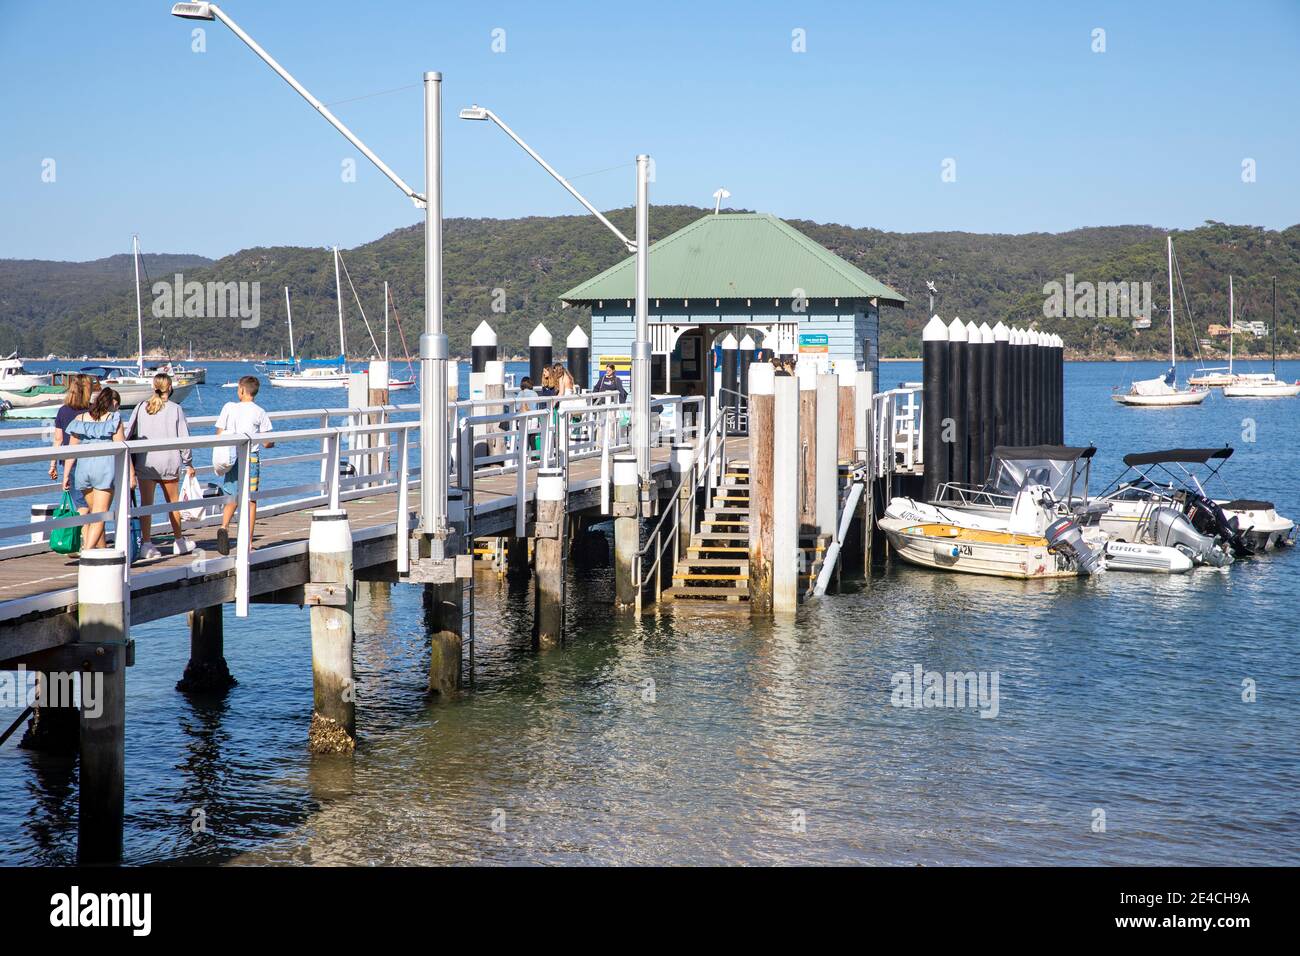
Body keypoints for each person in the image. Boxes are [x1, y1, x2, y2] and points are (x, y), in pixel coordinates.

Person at [126, 372, 197, 559]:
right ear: (170, 387)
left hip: (146, 462)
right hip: (169, 461)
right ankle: (179, 541)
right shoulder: (175, 409)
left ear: (153, 387)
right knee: (173, 503)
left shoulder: (142, 407)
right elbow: (184, 439)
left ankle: (147, 544)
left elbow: (128, 433)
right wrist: (188, 462)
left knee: (146, 504)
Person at [214, 375, 274, 556]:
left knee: (232, 495)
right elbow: (267, 442)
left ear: (241, 390)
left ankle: (224, 526)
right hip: (251, 458)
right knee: (251, 499)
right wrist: (271, 443)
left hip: (232, 456)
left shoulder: (230, 409)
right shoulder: (260, 412)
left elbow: (219, 433)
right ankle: (247, 541)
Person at [62, 387, 126, 552]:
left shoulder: (80, 418)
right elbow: (123, 448)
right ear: (113, 403)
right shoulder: (114, 419)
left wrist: (66, 475)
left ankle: (101, 551)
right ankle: (88, 552)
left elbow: (71, 451)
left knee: (93, 515)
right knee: (100, 514)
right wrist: (131, 474)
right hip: (105, 469)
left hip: (84, 470)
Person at [49, 374, 94, 519]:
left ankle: (85, 539)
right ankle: (92, 539)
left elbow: (58, 440)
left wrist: (53, 464)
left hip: (71, 463)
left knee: (82, 505)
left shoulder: (63, 410)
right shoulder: (93, 410)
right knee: (95, 505)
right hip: (94, 461)